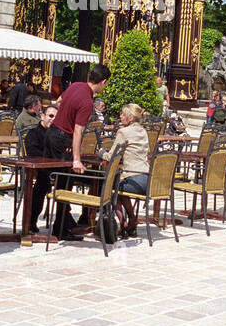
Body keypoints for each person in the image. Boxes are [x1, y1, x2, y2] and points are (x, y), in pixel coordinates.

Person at [49, 64, 110, 237]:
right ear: (103, 81)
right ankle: (60, 228)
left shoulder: (76, 85)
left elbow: (59, 101)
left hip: (52, 133)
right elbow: (78, 131)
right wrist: (76, 158)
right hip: (63, 139)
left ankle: (61, 221)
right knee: (65, 181)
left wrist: (64, 115)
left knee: (49, 179)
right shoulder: (87, 102)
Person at [100, 103, 151, 238]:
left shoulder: (123, 132)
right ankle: (132, 219)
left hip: (134, 179)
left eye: (123, 114)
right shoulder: (143, 131)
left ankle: (123, 223)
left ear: (131, 118)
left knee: (111, 188)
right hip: (147, 179)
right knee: (121, 189)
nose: (120, 116)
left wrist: (100, 153)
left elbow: (111, 156)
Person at [21, 103, 58, 234]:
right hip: (40, 171)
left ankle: (67, 220)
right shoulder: (34, 133)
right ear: (42, 116)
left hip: (56, 170)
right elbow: (32, 153)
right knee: (41, 184)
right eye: (51, 116)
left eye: (56, 117)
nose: (53, 119)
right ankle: (30, 222)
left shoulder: (58, 134)